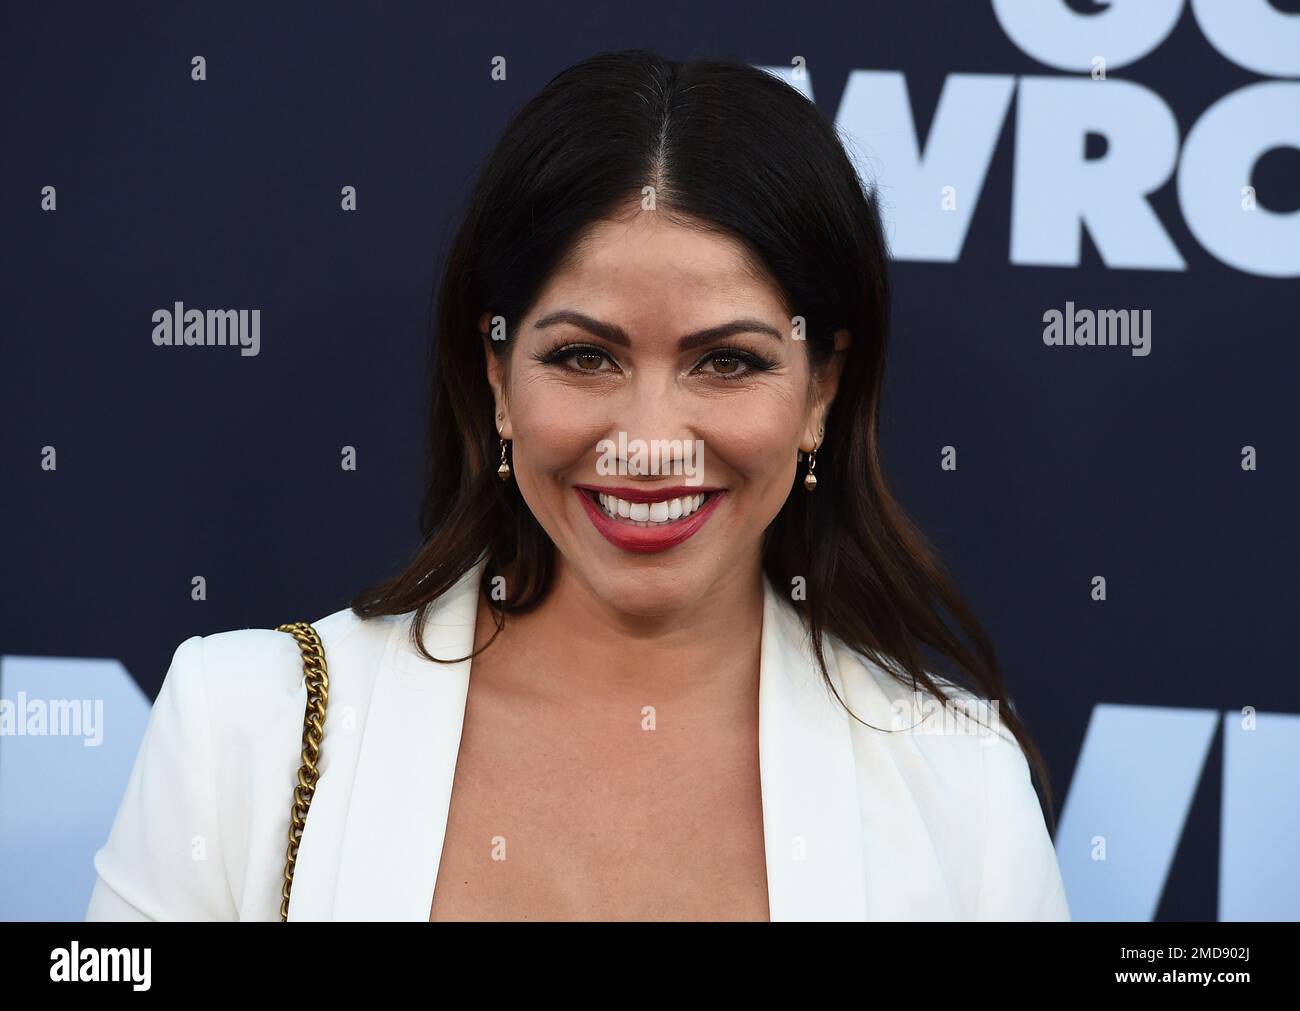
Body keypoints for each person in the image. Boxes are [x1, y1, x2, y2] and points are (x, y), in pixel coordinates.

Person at [86, 49, 1070, 922]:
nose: (647, 443)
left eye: (726, 362)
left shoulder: (961, 785)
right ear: (496, 378)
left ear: (820, 391)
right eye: (585, 358)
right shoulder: (237, 728)